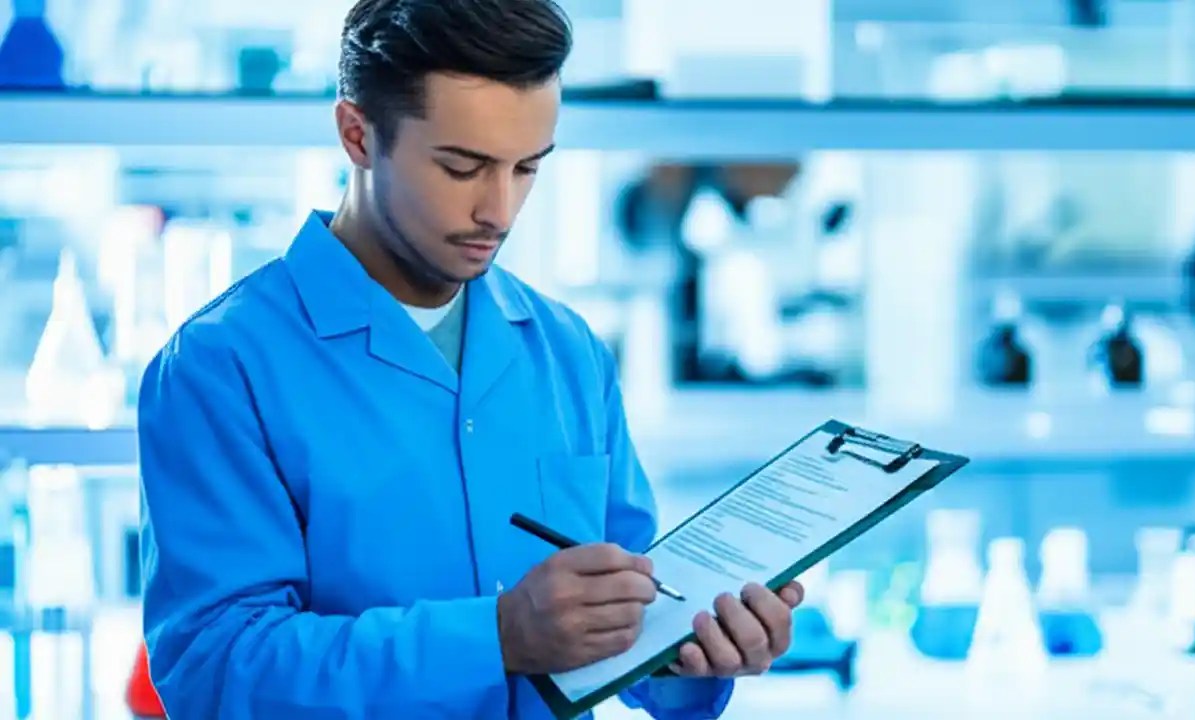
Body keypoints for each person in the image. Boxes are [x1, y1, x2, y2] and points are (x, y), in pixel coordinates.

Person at [136, 1, 805, 718]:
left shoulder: (567, 351)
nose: (500, 211)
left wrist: (694, 652)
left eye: (527, 168)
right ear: (357, 135)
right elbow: (215, 670)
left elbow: (631, 616)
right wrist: (495, 638)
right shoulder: (221, 367)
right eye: (462, 168)